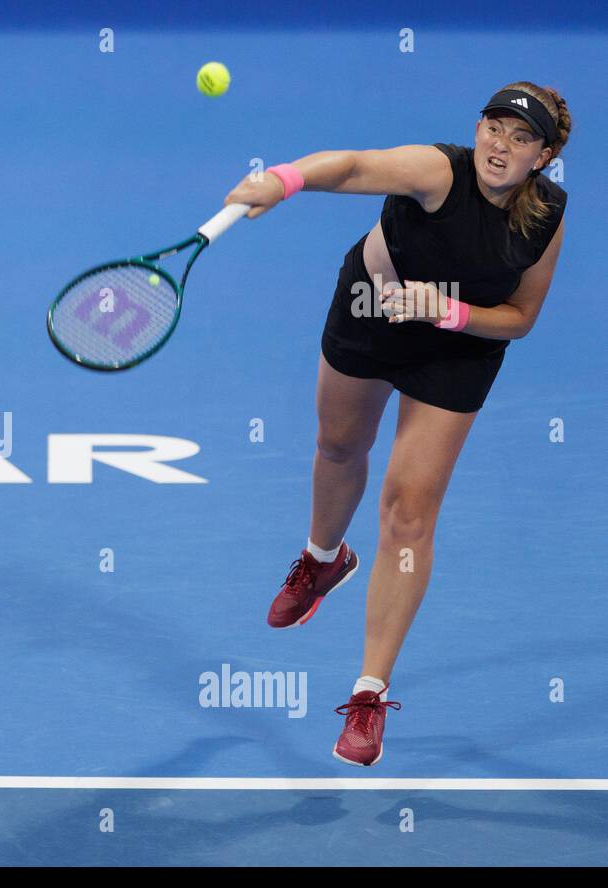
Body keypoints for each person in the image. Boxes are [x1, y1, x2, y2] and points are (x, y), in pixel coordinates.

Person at [223, 82, 570, 766]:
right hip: (370, 310)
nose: (500, 144)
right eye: (493, 127)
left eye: (520, 137)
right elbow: (352, 166)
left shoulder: (546, 216)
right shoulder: (438, 171)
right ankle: (324, 559)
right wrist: (282, 181)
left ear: (544, 155)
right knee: (339, 446)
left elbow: (522, 319)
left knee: (409, 513)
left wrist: (448, 312)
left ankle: (369, 693)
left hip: (457, 346)